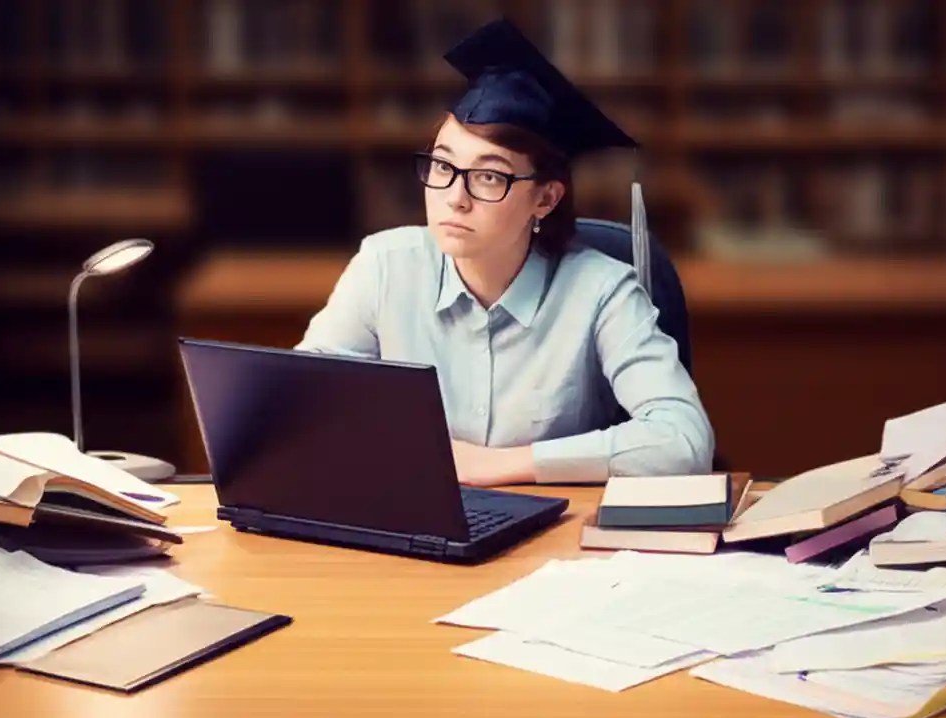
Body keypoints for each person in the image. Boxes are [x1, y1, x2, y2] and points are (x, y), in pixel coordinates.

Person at [296, 19, 714, 487]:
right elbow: (303, 403)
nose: (455, 197)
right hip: (415, 528)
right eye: (442, 165)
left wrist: (497, 465)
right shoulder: (384, 267)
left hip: (554, 538)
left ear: (545, 199)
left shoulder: (602, 291)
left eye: (489, 176)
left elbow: (684, 440)